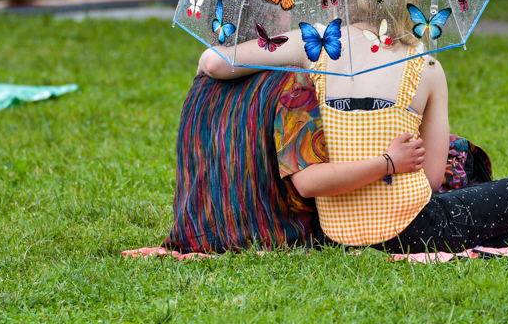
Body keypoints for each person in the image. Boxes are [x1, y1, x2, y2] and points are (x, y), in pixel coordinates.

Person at [198, 0, 508, 254]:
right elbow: (430, 179)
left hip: (335, 232)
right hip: (414, 229)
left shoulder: (313, 43)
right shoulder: (425, 64)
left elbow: (214, 63)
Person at [165, 68, 425, 252]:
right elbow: (308, 181)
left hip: (197, 230)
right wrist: (388, 163)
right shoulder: (291, 81)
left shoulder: (202, 79)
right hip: (270, 233)